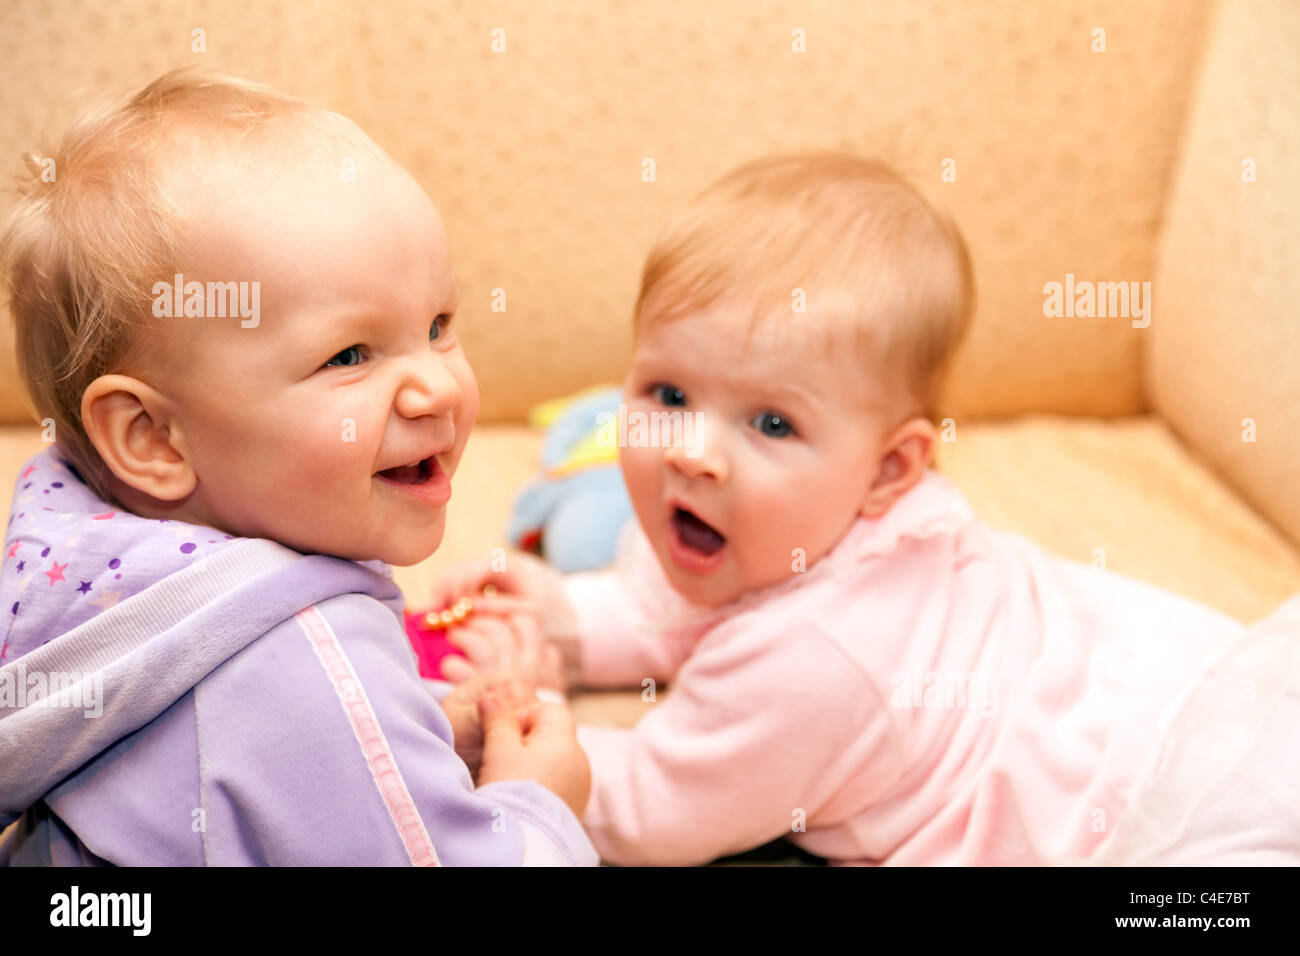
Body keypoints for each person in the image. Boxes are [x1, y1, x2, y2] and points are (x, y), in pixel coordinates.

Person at [432, 153, 1300, 866]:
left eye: (772, 422)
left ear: (890, 468)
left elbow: (652, 811)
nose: (691, 450)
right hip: (1141, 676)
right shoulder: (780, 529)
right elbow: (692, 602)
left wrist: (521, 731)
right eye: (668, 390)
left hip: (1153, 810)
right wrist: (568, 619)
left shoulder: (814, 663)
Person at [0, 68, 595, 866]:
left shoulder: (69, 569)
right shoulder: (309, 653)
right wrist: (543, 802)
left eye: (439, 324)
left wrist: (407, 731)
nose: (438, 387)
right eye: (349, 355)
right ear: (152, 438)